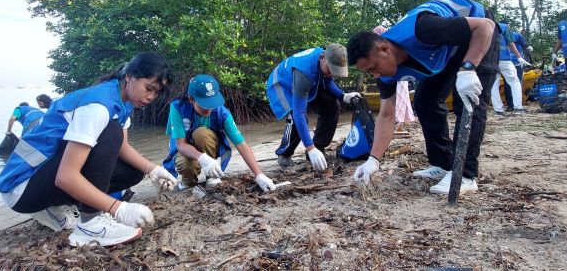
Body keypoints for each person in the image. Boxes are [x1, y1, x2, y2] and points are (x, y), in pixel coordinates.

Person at [0, 52, 178, 247]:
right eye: (149, 88)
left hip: (39, 181)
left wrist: (153, 170)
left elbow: (122, 147)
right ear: (129, 77)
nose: (150, 97)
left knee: (132, 172)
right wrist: (118, 208)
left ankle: (52, 206)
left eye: (156, 93)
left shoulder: (123, 102)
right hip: (21, 187)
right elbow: (66, 176)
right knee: (111, 131)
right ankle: (91, 223)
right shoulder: (98, 106)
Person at [347, 0, 498, 196]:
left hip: (478, 31)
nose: (375, 76)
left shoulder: (423, 29)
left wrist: (468, 69)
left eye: (374, 68)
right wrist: (373, 160)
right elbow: (386, 115)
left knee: (468, 100)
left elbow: (485, 26)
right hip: (447, 48)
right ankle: (442, 164)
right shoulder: (384, 74)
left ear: (385, 49)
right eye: (369, 73)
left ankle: (464, 175)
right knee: (425, 101)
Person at [162, 74, 276, 192]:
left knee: (201, 133)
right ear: (191, 99)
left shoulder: (221, 112)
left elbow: (241, 145)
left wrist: (259, 175)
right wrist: (202, 158)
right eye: (204, 104)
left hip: (209, 146)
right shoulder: (177, 108)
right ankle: (188, 181)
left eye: (211, 103)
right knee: (186, 165)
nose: (209, 108)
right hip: (185, 150)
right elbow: (180, 145)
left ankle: (212, 176)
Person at [266, 44, 361, 172]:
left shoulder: (327, 59)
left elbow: (327, 80)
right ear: (322, 58)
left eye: (336, 72)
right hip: (282, 84)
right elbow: (299, 113)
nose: (332, 74)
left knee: (332, 104)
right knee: (297, 117)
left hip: (303, 82)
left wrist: (342, 95)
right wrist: (310, 148)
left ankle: (319, 147)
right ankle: (284, 154)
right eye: (331, 70)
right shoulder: (304, 72)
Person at [373, 26, 416, 132]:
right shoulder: (376, 60)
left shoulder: (399, 45)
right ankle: (398, 120)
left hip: (401, 79)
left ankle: (402, 119)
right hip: (390, 79)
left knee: (402, 97)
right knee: (390, 104)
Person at [490, 23, 529, 116]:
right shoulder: (504, 27)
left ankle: (498, 110)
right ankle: (518, 108)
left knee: (494, 85)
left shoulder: (484, 25)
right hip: (504, 60)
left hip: (492, 60)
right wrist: (519, 57)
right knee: (515, 83)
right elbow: (510, 43)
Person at [503, 28, 532, 109]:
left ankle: (510, 105)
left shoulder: (499, 35)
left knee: (507, 84)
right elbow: (525, 45)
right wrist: (529, 47)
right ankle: (518, 105)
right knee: (517, 83)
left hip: (506, 62)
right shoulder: (516, 34)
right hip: (517, 62)